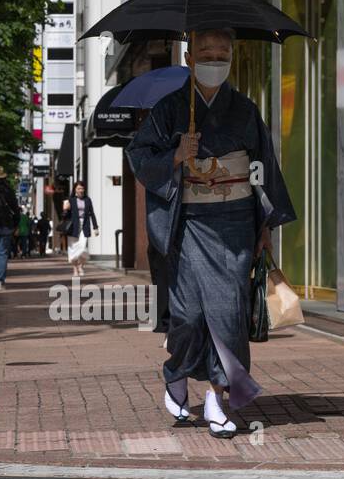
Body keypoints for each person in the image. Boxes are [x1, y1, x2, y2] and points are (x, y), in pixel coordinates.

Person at [126, 28, 295, 439]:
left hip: (235, 224)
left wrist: (265, 226)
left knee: (229, 314)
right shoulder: (169, 111)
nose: (215, 57)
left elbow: (261, 169)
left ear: (233, 57)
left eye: (222, 51)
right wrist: (176, 155)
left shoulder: (245, 110)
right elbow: (139, 155)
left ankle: (220, 397)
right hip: (187, 224)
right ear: (189, 57)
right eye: (206, 51)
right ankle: (176, 369)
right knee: (188, 316)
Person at [59, 180, 99, 277]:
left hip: (84, 225)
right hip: (73, 226)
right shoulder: (71, 200)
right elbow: (64, 216)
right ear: (75, 190)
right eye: (78, 188)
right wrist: (65, 209)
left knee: (82, 247)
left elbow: (92, 214)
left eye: (82, 188)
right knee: (73, 249)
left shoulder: (87, 200)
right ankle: (75, 269)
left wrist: (95, 227)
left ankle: (80, 265)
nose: (81, 190)